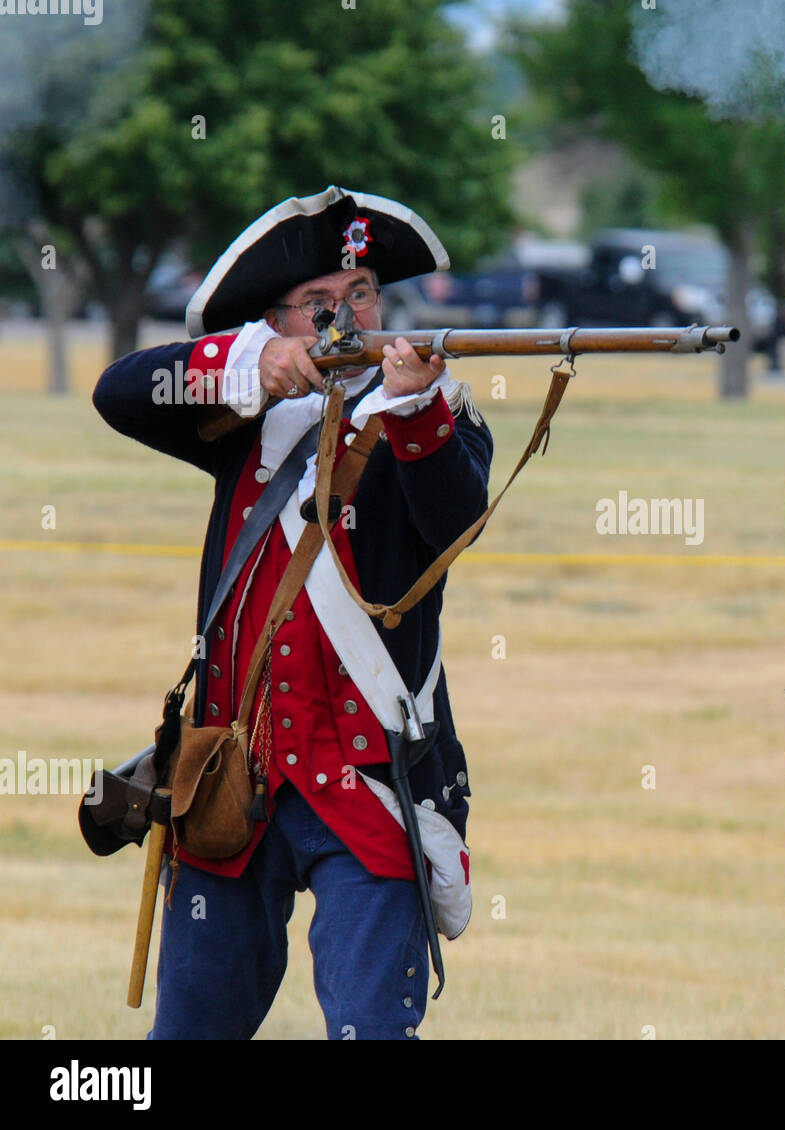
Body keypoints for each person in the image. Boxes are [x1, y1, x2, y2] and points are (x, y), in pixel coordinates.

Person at [92, 186, 493, 1039]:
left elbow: (454, 521)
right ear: (276, 324)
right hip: (229, 776)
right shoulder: (245, 415)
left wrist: (416, 409)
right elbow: (120, 391)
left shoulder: (436, 414)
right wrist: (247, 364)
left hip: (369, 783)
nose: (349, 315)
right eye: (320, 305)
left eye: (361, 295)